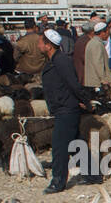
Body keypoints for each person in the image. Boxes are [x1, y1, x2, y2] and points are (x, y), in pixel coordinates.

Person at [38, 29, 92, 194]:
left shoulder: (61, 61)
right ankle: (93, 174)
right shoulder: (55, 60)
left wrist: (85, 102)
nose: (38, 45)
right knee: (77, 143)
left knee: (59, 146)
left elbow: (73, 83)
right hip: (64, 106)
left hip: (66, 109)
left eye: (41, 42)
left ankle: (58, 181)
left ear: (48, 46)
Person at [83, 21, 111, 93]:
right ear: (103, 33)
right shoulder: (97, 44)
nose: (108, 36)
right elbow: (98, 63)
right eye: (107, 33)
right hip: (97, 82)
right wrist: (103, 79)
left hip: (93, 81)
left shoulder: (92, 42)